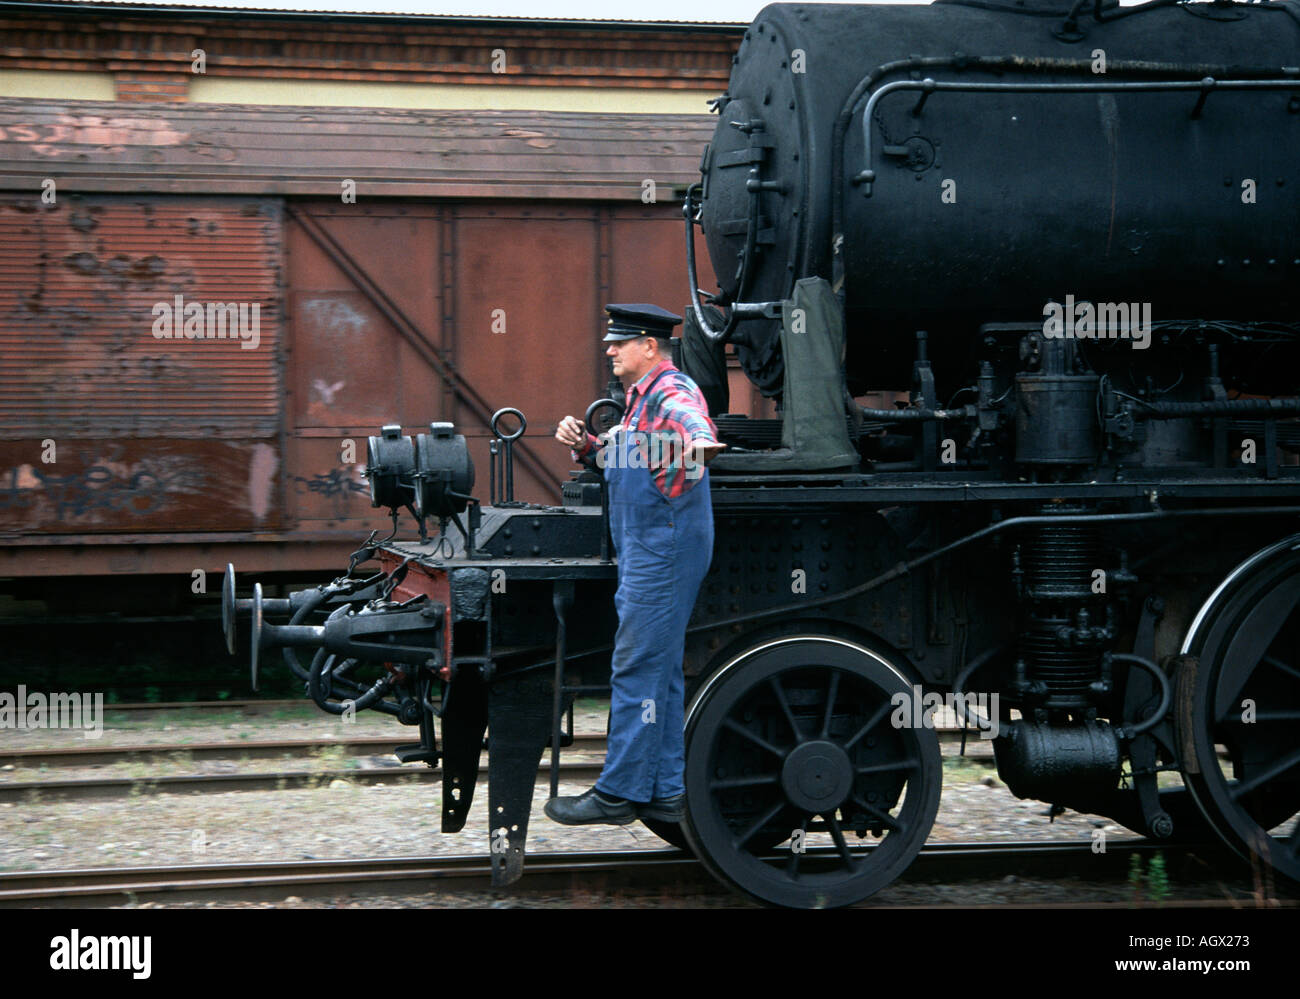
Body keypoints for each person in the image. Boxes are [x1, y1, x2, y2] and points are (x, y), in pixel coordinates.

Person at [547, 304, 725, 825]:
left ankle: (619, 793)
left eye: (619, 342)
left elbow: (694, 423)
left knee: (635, 665)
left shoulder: (671, 391)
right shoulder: (638, 400)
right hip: (650, 547)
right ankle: (666, 790)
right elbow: (634, 456)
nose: (609, 349)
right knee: (661, 669)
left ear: (650, 347)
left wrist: (700, 443)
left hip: (663, 548)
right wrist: (588, 447)